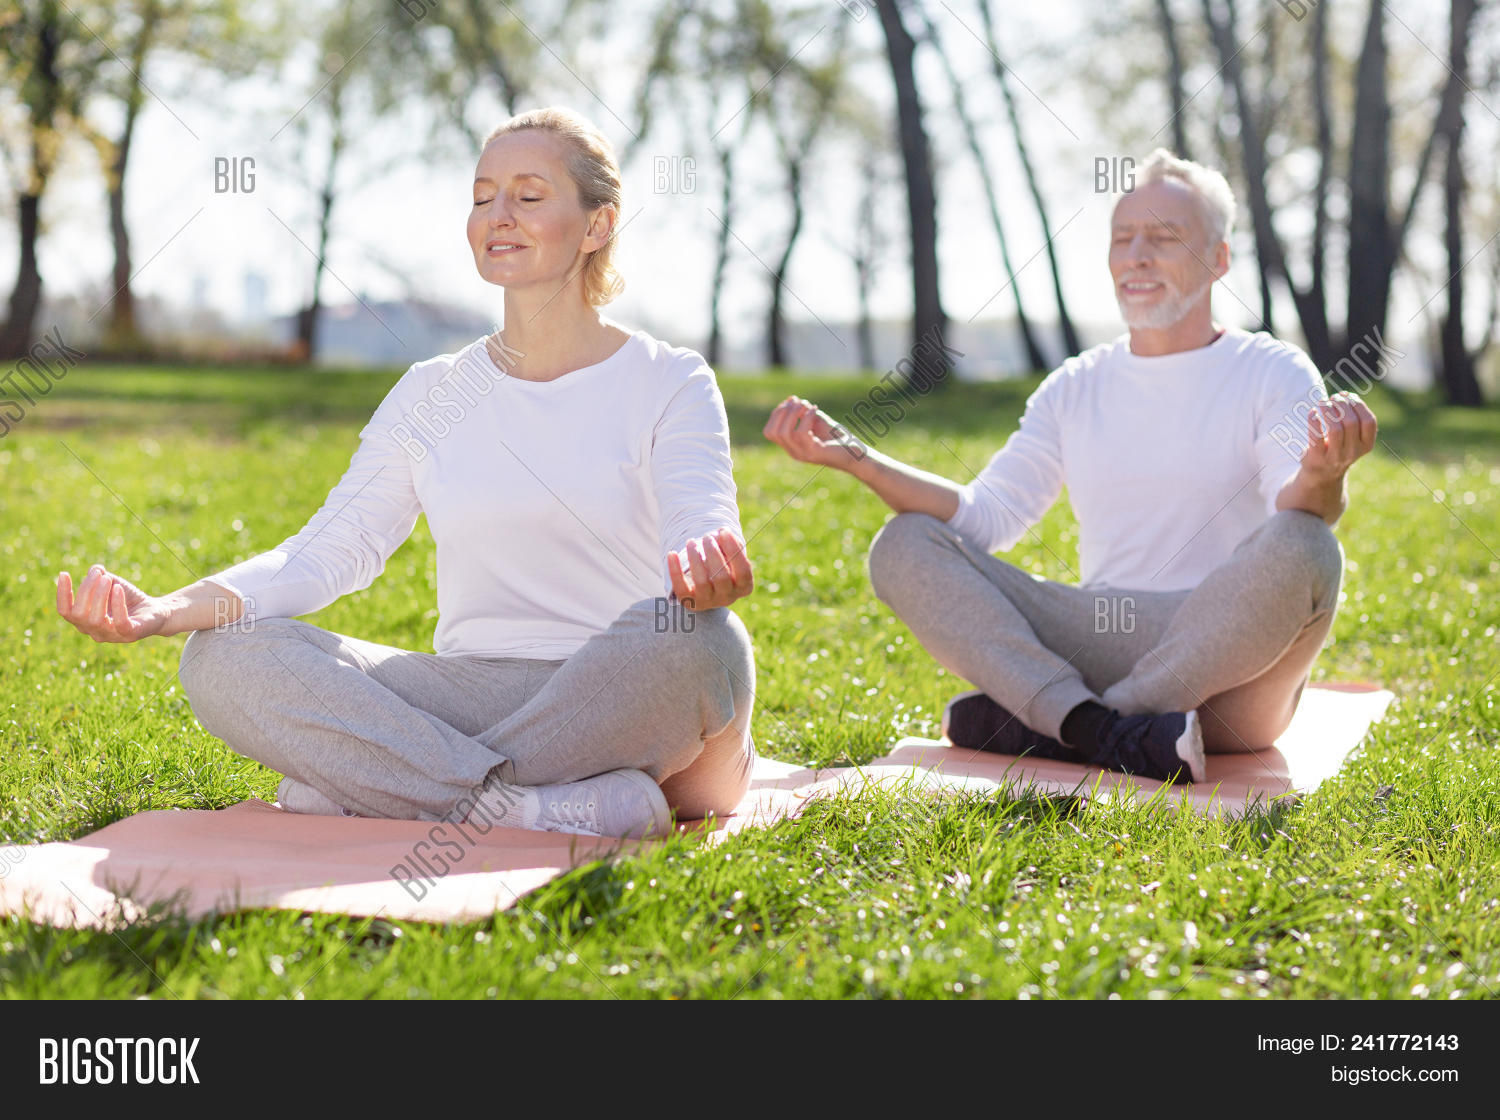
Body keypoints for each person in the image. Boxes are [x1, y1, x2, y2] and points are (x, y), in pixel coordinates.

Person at [55, 107, 756, 838]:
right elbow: (328, 551)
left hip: (625, 687)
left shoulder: (669, 379)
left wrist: (709, 563)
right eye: (483, 196)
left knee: (699, 637)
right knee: (226, 655)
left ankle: (387, 788)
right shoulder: (432, 390)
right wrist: (168, 610)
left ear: (597, 226)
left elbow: (700, 517)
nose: (498, 216)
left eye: (529, 195)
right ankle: (522, 809)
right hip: (467, 691)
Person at [764, 149, 1376, 783]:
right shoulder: (1074, 385)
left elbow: (1300, 510)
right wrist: (859, 459)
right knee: (903, 543)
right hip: (1095, 635)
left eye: (1163, 238)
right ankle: (1108, 733)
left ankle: (1066, 724)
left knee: (1309, 546)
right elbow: (983, 518)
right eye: (1122, 238)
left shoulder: (1272, 370)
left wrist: (1325, 474)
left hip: (1226, 675)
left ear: (1218, 260)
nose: (1136, 255)